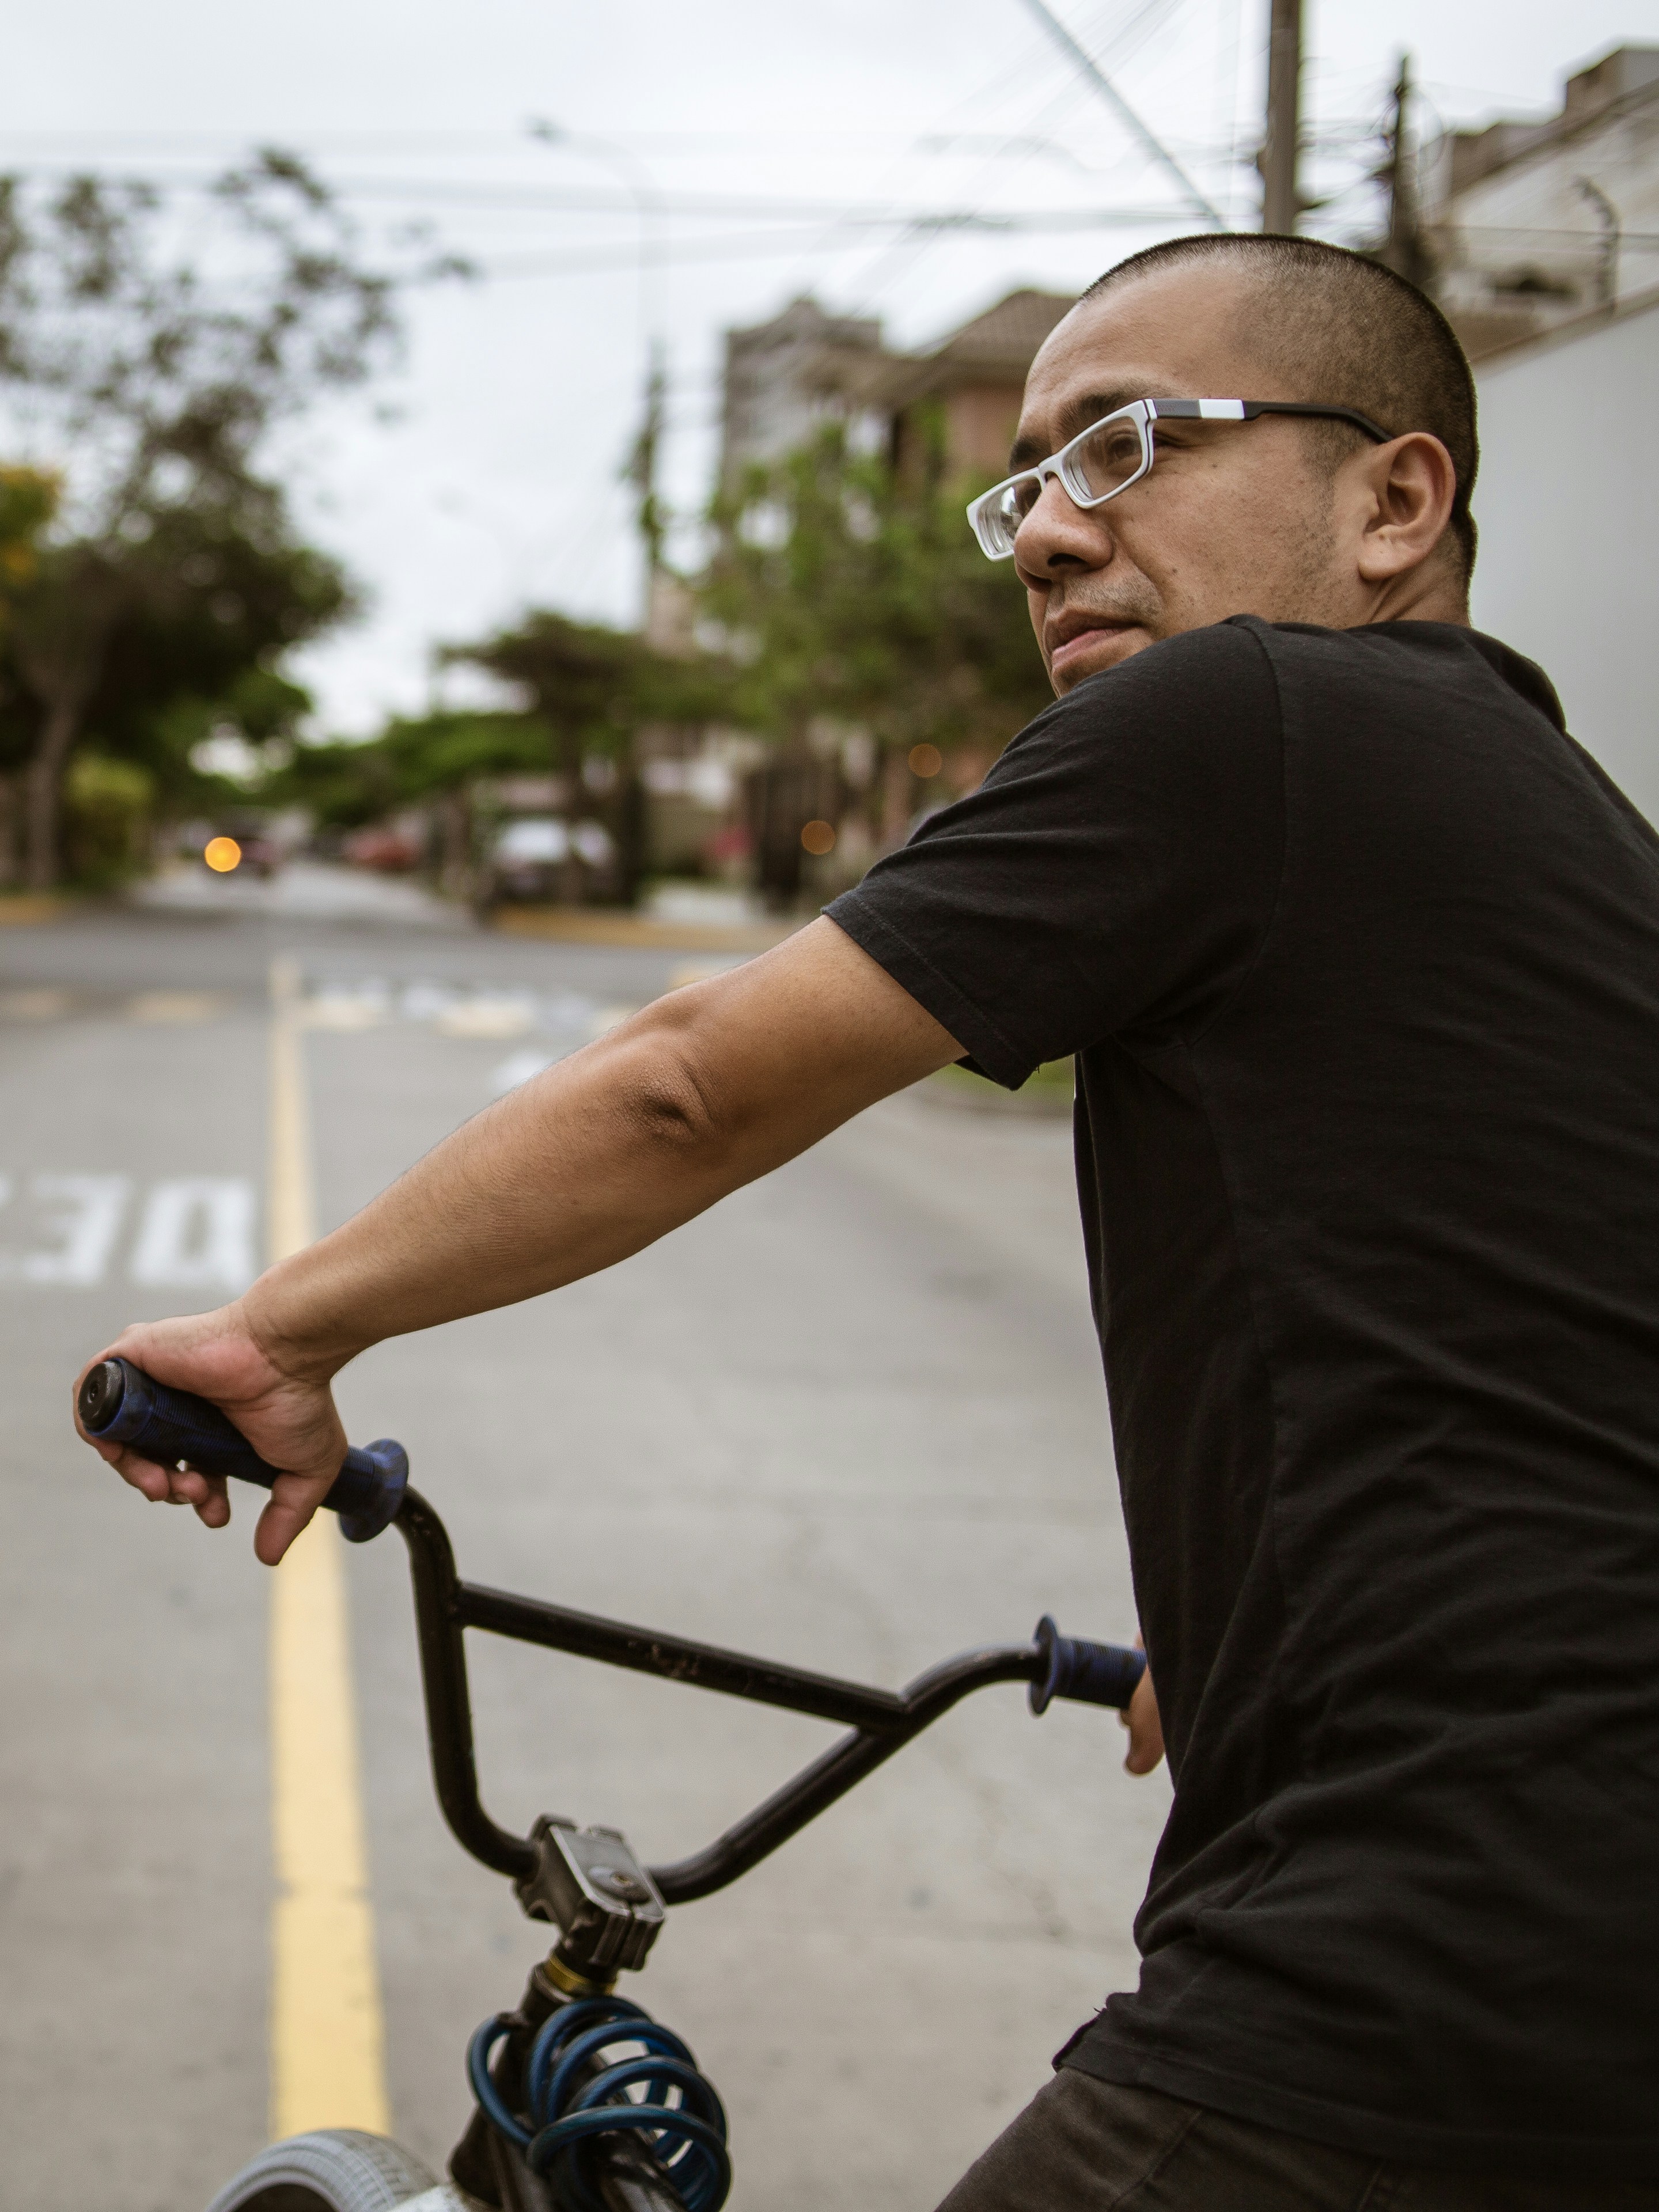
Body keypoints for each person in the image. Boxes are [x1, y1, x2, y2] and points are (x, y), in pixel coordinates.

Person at [78, 235, 1659, 2209]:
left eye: (1133, 446)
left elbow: (691, 1080)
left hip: (1432, 1958)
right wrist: (1256, 1599)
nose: (1049, 536)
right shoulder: (1565, 826)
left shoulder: (1250, 724)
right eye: (1029, 483)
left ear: (1394, 499)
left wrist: (283, 1334)